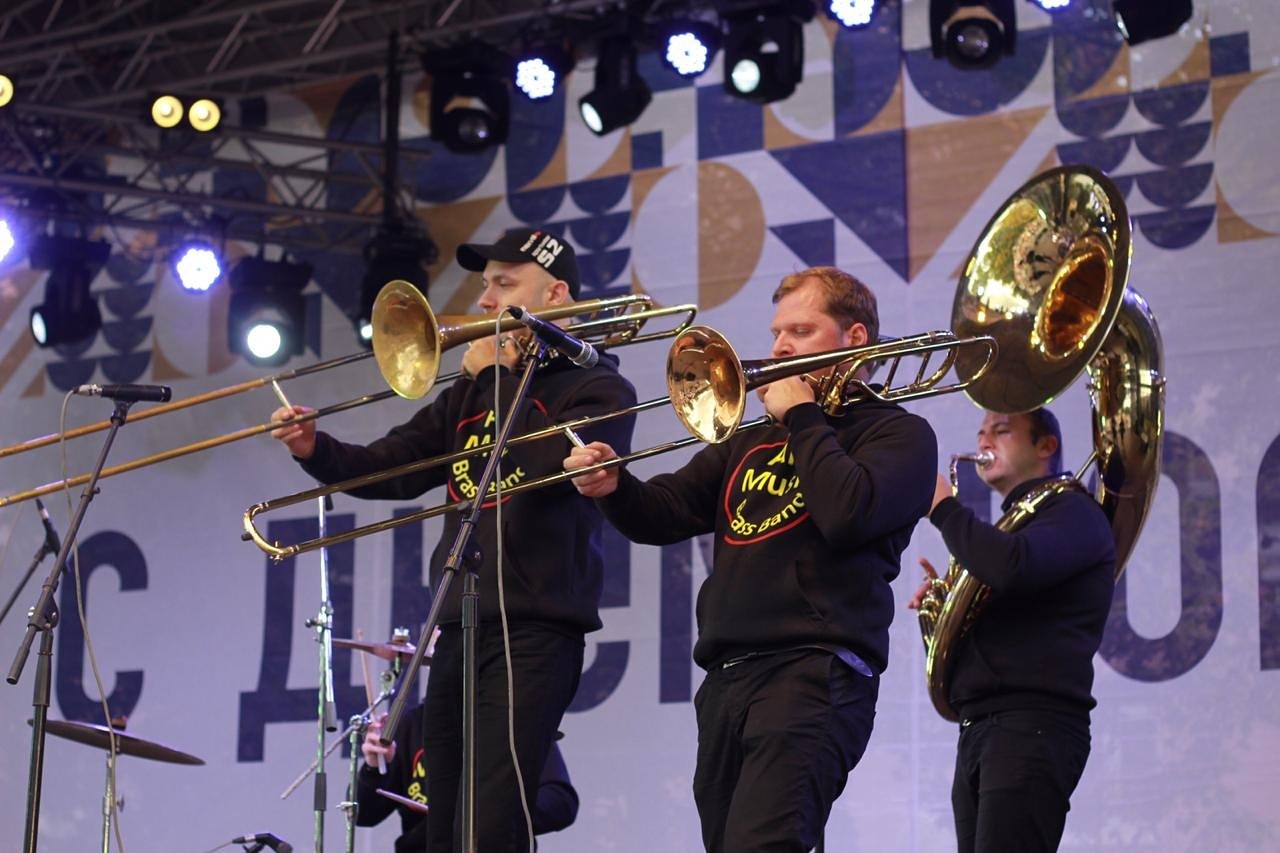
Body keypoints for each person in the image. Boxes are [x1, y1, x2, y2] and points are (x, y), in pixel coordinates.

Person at [270, 227, 637, 852]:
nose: (485, 301)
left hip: (534, 630)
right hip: (460, 624)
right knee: (440, 821)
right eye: (485, 284)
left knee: (492, 820)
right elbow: (394, 464)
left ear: (555, 295)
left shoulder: (599, 387)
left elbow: (543, 463)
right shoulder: (472, 390)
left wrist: (494, 376)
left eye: (504, 284)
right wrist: (314, 448)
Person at [565, 266, 938, 853]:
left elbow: (847, 514)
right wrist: (615, 485)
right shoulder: (752, 439)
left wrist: (805, 417)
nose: (780, 347)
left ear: (855, 339)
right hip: (728, 679)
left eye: (801, 331)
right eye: (777, 332)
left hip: (814, 671)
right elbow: (665, 512)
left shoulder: (899, 434)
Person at [906, 408, 1116, 853]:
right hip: (982, 727)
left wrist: (944, 508)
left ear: (1046, 446)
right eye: (981, 432)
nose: (984, 441)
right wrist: (945, 609)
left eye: (1001, 431)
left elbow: (1013, 567)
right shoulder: (1009, 533)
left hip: (1030, 726)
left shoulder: (1073, 510)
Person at [356, 705, 579, 852]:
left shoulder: (514, 720)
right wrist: (374, 768)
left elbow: (561, 801)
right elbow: (364, 814)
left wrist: (492, 815)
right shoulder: (412, 723)